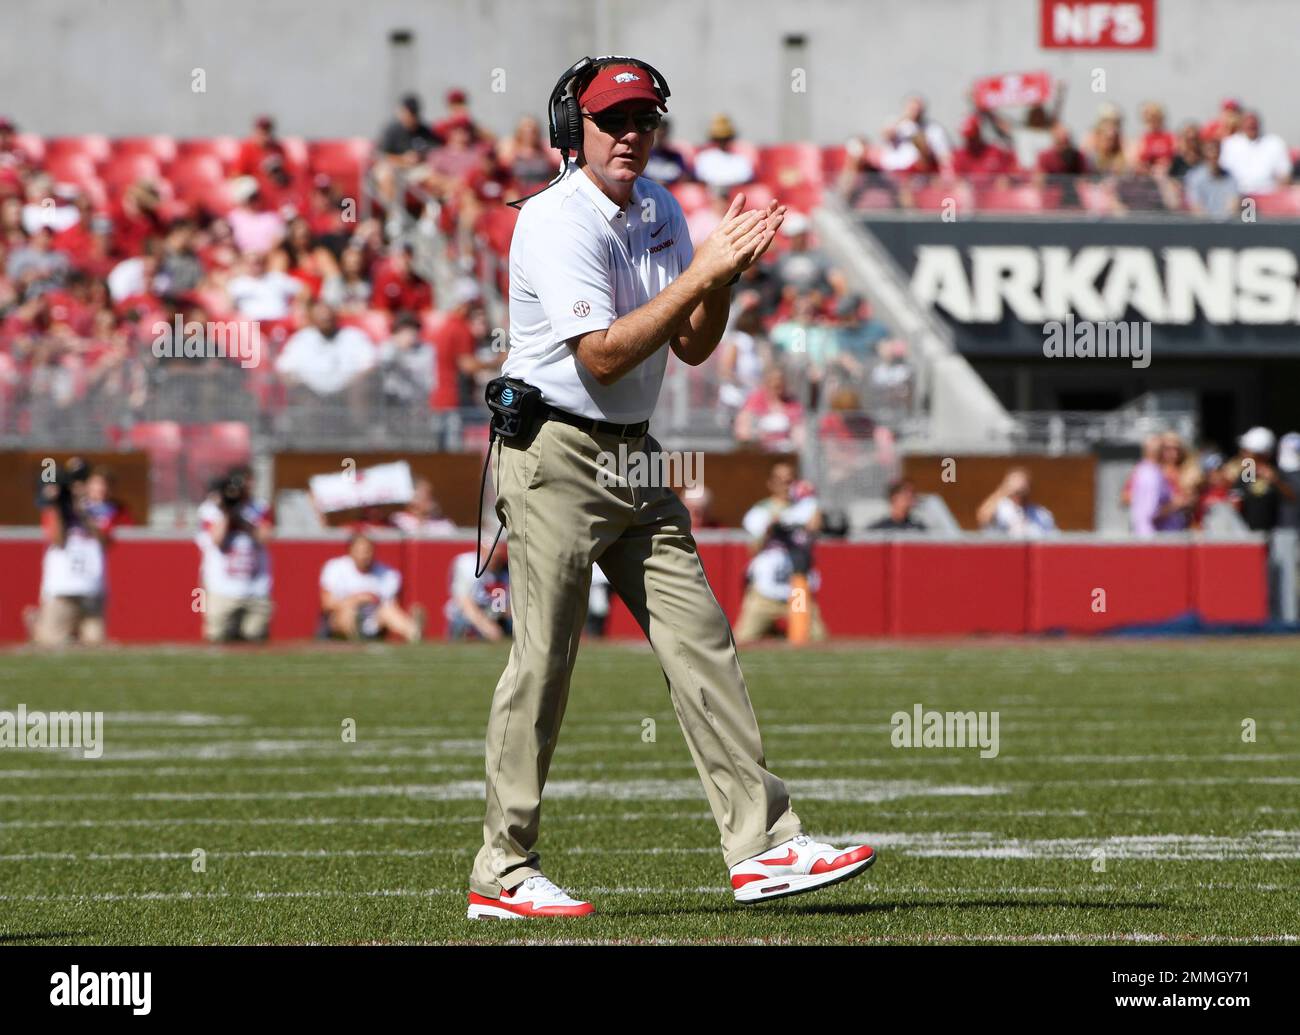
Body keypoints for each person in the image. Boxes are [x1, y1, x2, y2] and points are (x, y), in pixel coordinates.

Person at [466, 57, 873, 921]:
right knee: (544, 659)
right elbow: (604, 353)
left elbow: (691, 343)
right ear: (573, 128)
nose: (630, 135)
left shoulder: (659, 208)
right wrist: (704, 271)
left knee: (702, 637)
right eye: (613, 118)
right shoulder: (552, 220)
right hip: (553, 452)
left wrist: (723, 276)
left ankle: (762, 843)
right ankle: (502, 870)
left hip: (634, 454)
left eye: (645, 119)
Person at [735, 463, 828, 644]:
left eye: (789, 481)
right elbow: (753, 549)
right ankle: (775, 632)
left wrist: (809, 502)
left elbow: (815, 527)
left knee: (816, 638)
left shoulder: (805, 507)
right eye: (781, 481)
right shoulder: (760, 511)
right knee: (743, 638)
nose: (786, 485)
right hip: (766, 589)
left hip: (796, 589)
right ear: (771, 483)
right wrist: (771, 528)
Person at [31, 458, 109, 646]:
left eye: (82, 481)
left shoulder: (96, 509)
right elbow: (57, 539)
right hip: (61, 588)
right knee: (52, 643)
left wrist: (83, 511)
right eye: (74, 482)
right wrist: (57, 505)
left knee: (95, 643)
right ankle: (37, 624)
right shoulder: (57, 510)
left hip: (91, 588)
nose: (78, 487)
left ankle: (36, 621)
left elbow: (105, 540)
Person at [195, 466, 273, 642]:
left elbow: (265, 537)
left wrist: (242, 519)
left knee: (255, 636)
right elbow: (216, 540)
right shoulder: (211, 509)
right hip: (221, 586)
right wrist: (226, 510)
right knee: (217, 636)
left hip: (255, 587)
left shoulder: (260, 507)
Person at [319, 532, 424, 642]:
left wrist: (373, 604)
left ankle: (413, 631)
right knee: (349, 613)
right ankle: (355, 636)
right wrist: (356, 600)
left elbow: (392, 606)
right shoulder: (335, 568)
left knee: (388, 611)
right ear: (350, 551)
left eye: (367, 551)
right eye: (359, 551)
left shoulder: (388, 574)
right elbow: (327, 603)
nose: (364, 555)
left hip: (374, 620)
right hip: (341, 620)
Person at [446, 546, 510, 640]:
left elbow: (508, 605)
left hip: (496, 617)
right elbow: (464, 602)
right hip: (468, 618)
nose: (494, 560)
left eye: (497, 557)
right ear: (481, 552)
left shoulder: (505, 569)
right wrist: (486, 626)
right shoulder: (468, 565)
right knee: (462, 623)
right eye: (490, 555)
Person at [977, 467, 1057, 538]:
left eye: (1023, 483)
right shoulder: (1000, 508)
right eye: (1015, 482)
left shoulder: (1040, 513)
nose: (1019, 487)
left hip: (1031, 552)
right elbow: (983, 516)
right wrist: (1005, 490)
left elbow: (1054, 538)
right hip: (1005, 552)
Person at [1184, 137, 1239, 218]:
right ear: (1203, 154)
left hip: (1226, 225)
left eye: (1216, 151)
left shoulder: (1230, 177)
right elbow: (1196, 206)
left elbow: (1233, 204)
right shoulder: (1194, 177)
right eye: (1210, 151)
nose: (1213, 154)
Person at [390, 477, 457, 535]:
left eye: (429, 496)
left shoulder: (443, 524)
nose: (432, 500)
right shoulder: (398, 520)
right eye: (427, 495)